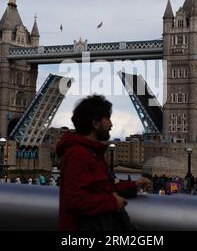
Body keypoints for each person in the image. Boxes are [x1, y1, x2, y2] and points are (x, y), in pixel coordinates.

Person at [57, 95, 150, 231]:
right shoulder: (78, 154)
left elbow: (105, 188)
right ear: (96, 123)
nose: (111, 125)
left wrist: (134, 185)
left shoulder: (92, 152)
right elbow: (74, 201)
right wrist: (112, 202)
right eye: (108, 118)